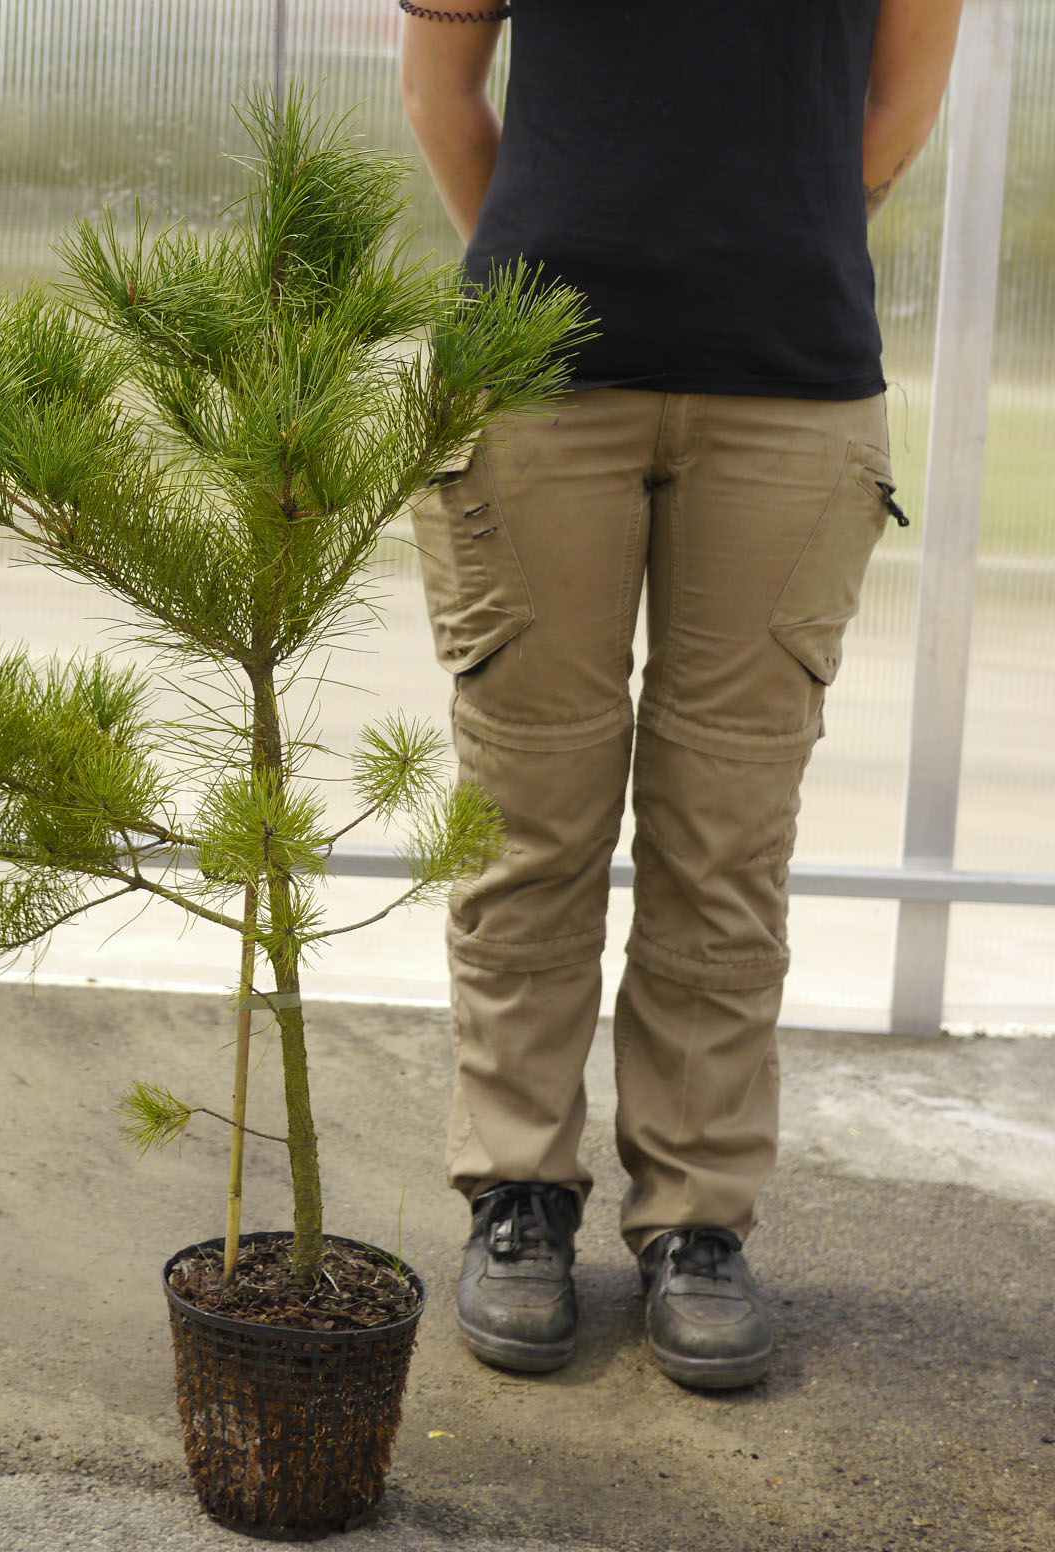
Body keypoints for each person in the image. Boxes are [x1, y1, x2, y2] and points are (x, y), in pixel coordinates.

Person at [398, 0, 964, 1389]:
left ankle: (696, 1223)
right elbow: (441, 90)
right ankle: (517, 1195)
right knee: (530, 822)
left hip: (790, 393)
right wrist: (544, 291)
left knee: (727, 839)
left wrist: (768, 252)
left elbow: (896, 107)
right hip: (536, 392)